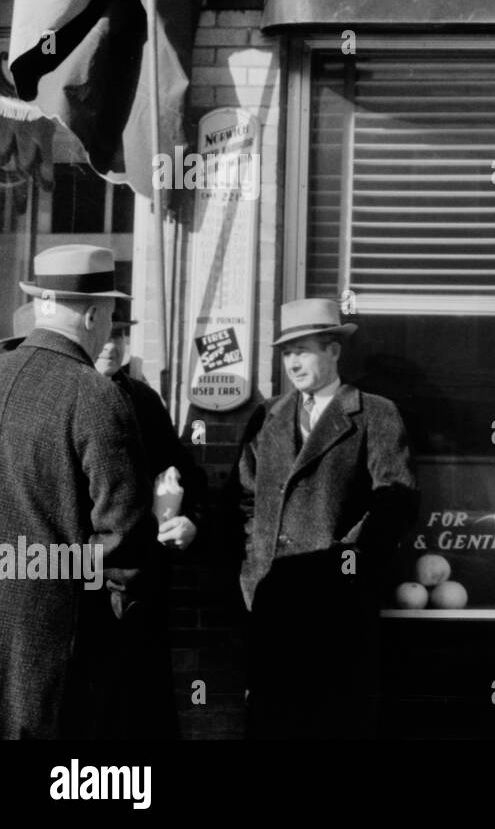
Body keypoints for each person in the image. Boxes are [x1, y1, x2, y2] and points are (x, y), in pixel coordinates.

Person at [238, 298, 418, 737]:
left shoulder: (375, 413)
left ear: (334, 350)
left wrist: (343, 566)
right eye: (286, 352)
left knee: (333, 723)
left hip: (336, 610)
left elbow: (395, 503)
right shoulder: (268, 415)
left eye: (303, 350)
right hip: (271, 604)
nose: (293, 362)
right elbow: (245, 500)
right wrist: (255, 565)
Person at [0, 245, 155, 738]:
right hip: (55, 631)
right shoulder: (94, 393)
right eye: (111, 317)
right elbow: (123, 537)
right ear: (93, 314)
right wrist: (115, 609)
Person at [93, 304, 206, 738]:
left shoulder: (142, 398)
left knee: (141, 711)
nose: (111, 343)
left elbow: (182, 472)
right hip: (79, 581)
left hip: (143, 585)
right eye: (104, 331)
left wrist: (188, 520)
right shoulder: (63, 394)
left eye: (120, 334)